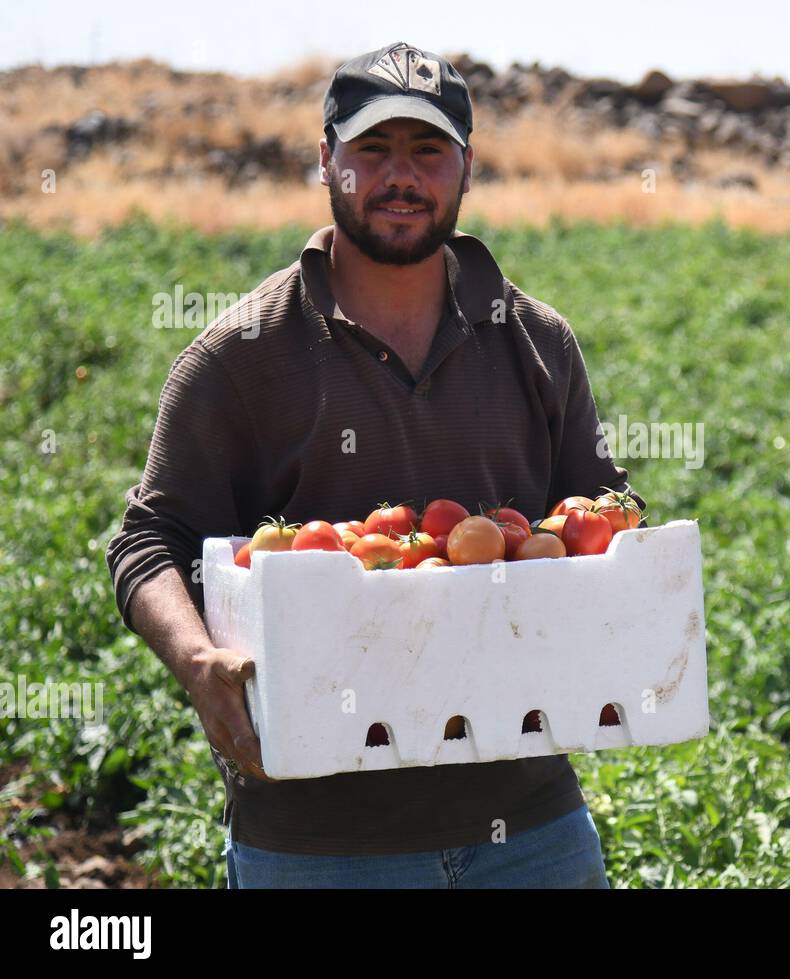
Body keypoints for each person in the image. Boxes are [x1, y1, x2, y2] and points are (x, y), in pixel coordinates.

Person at [105, 42, 638, 888]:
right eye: (372, 150)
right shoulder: (240, 358)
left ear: (466, 168)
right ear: (326, 160)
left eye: (428, 151)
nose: (401, 177)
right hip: (317, 842)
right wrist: (199, 662)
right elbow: (148, 541)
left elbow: (601, 510)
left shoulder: (537, 343)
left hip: (530, 826)